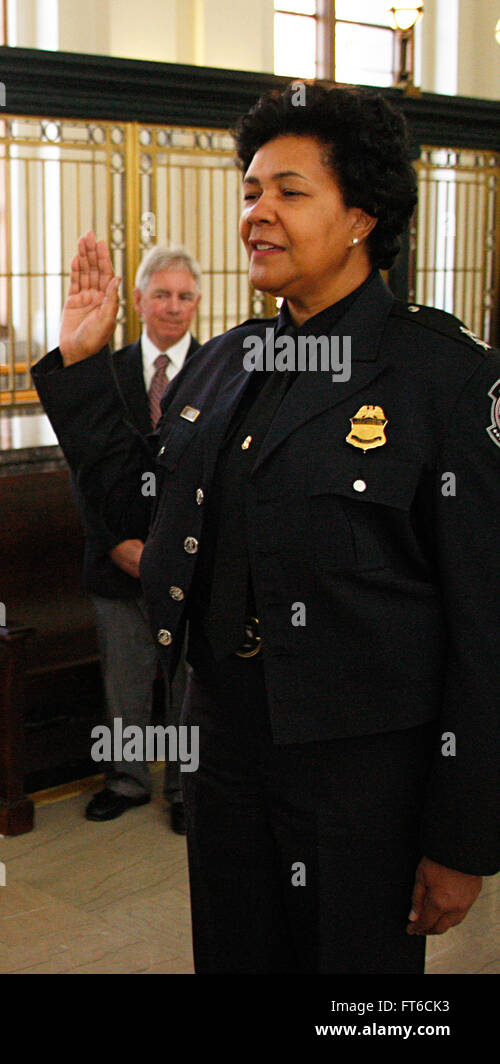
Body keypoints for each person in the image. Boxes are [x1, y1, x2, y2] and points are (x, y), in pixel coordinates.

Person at [32, 83, 498, 973]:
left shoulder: (440, 377)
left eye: (289, 192)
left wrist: (464, 838)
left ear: (361, 214)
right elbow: (142, 516)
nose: (257, 214)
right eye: (250, 192)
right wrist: (86, 372)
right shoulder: (231, 359)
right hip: (228, 742)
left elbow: (486, 628)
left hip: (363, 772)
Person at [38, 246, 202, 834]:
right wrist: (115, 542)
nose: (173, 307)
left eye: (184, 296)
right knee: (124, 680)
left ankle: (188, 789)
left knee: (190, 683)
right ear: (137, 302)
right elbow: (88, 467)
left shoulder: (221, 372)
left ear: (197, 304)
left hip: (190, 566)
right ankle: (126, 781)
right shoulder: (100, 368)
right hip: (117, 559)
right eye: (162, 294)